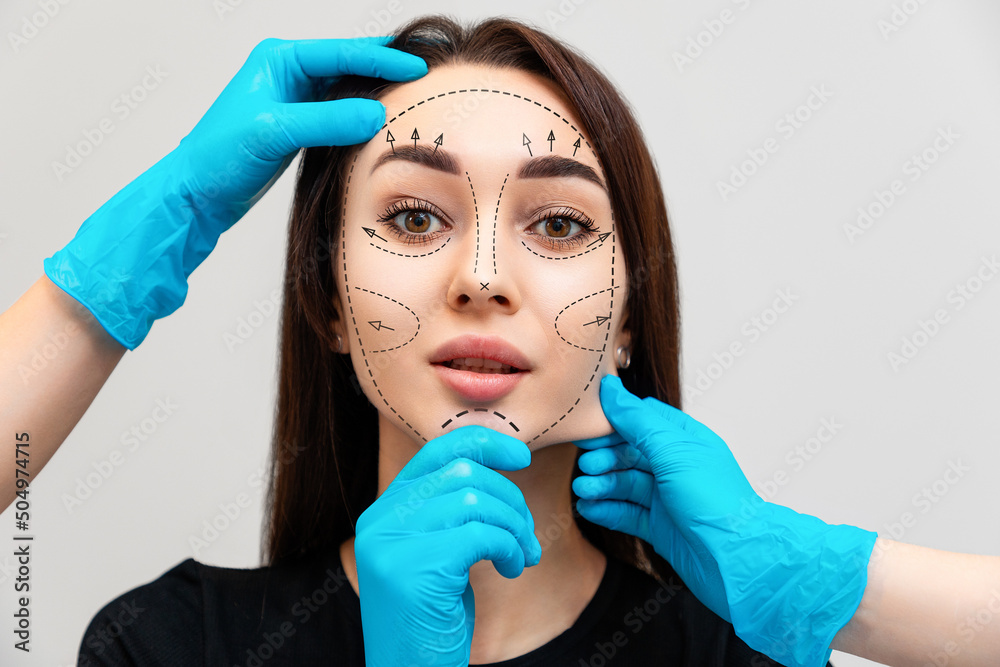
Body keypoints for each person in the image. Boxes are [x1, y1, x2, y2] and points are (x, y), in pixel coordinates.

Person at [0, 13, 994, 667]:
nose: (481, 276)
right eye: (413, 217)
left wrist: (818, 576)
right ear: (328, 301)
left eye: (557, 223)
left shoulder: (728, 654)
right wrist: (150, 233)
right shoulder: (171, 646)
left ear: (626, 320)